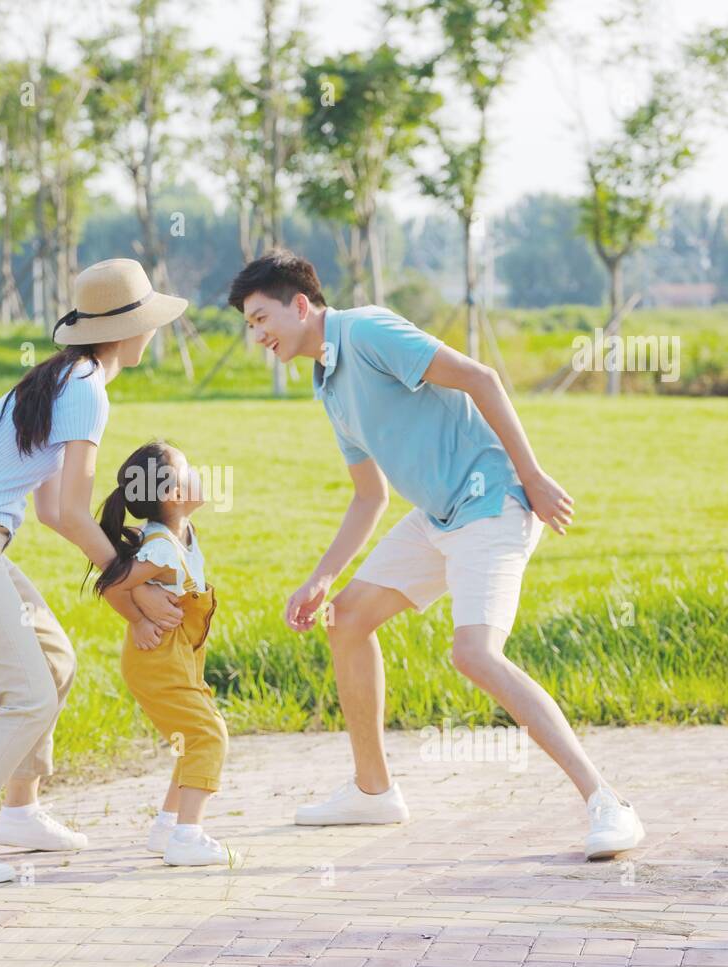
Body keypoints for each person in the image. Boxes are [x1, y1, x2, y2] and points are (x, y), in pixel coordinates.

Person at [227, 249, 645, 861]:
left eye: (262, 318)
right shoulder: (327, 384)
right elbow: (370, 495)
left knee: (474, 653)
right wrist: (321, 578)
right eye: (249, 326)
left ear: (299, 304)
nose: (258, 334)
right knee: (346, 618)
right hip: (439, 518)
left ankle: (608, 801)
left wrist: (531, 475)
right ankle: (373, 791)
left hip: (493, 504)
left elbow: (482, 378)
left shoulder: (366, 330)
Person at [0, 259, 191, 885]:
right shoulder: (86, 386)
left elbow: (53, 510)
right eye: (149, 323)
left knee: (54, 661)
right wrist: (130, 584)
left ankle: (21, 812)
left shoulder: (68, 375)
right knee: (27, 693)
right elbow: (71, 511)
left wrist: (124, 582)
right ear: (129, 330)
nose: (154, 333)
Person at [92, 441, 237, 866]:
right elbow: (113, 583)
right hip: (159, 659)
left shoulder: (175, 534)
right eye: (188, 468)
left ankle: (168, 826)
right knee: (208, 736)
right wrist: (138, 617)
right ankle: (187, 837)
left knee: (191, 737)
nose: (199, 472)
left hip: (182, 656)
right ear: (173, 496)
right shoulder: (161, 548)